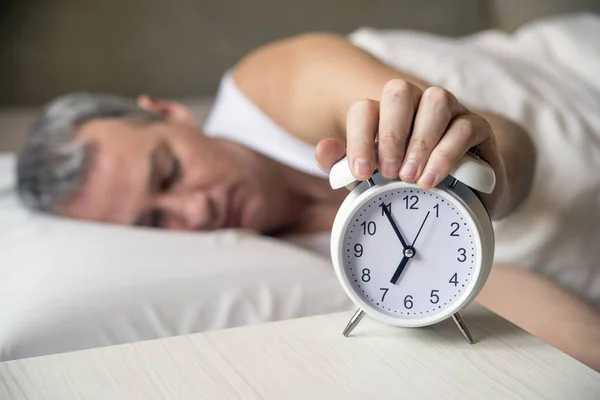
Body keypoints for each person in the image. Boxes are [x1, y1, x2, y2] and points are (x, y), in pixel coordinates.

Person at [15, 30, 600, 370]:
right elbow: (499, 296)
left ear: (167, 112)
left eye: (168, 174)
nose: (192, 212)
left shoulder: (276, 86)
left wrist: (486, 165)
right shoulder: (283, 261)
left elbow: (489, 134)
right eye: (154, 222)